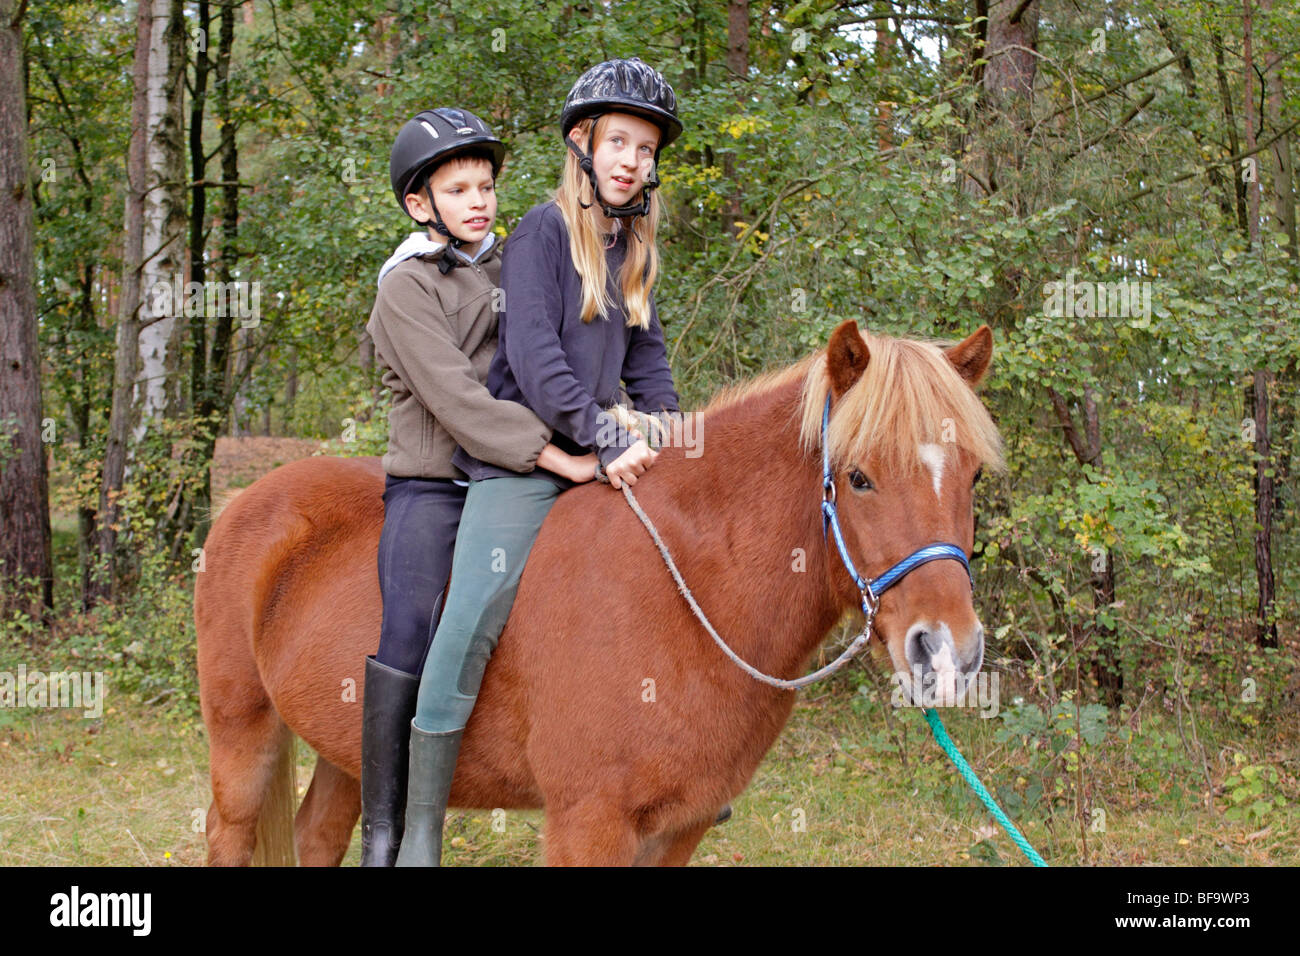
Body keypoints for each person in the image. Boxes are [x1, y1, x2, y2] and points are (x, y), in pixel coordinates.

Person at [395, 57, 686, 866]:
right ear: (584, 145)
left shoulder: (631, 245)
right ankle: (422, 826)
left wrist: (661, 428)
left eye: (646, 148)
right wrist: (601, 434)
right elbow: (534, 358)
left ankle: (677, 769)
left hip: (605, 443)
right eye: (619, 141)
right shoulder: (540, 233)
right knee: (472, 615)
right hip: (529, 458)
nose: (633, 159)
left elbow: (650, 359)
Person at [361, 106, 600, 867]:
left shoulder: (512, 261)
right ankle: (387, 830)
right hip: (435, 484)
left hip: (512, 473)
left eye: (487, 185)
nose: (479, 201)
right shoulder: (404, 288)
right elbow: (458, 398)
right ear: (418, 203)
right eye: (459, 188)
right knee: (411, 623)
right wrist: (554, 455)